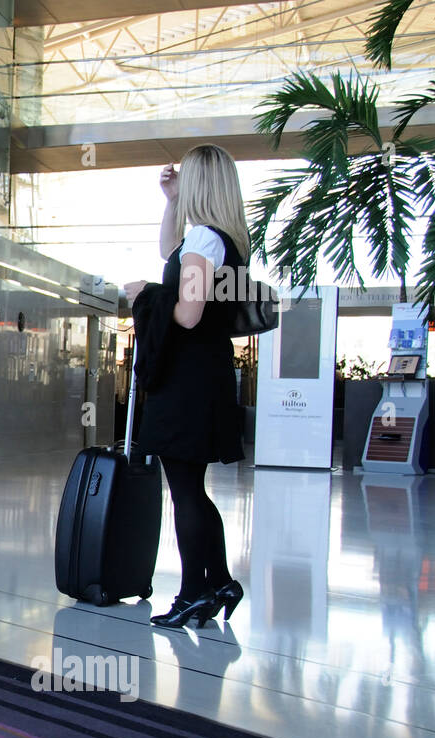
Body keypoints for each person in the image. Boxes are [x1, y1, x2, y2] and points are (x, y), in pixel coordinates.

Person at [123, 144, 247, 629]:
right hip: (206, 376)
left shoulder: (204, 238)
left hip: (187, 381)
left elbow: (188, 314)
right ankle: (219, 583)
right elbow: (167, 253)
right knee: (193, 491)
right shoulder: (221, 238)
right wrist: (170, 200)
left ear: (202, 183)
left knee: (186, 493)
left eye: (186, 181)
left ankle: (195, 592)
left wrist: (145, 296)